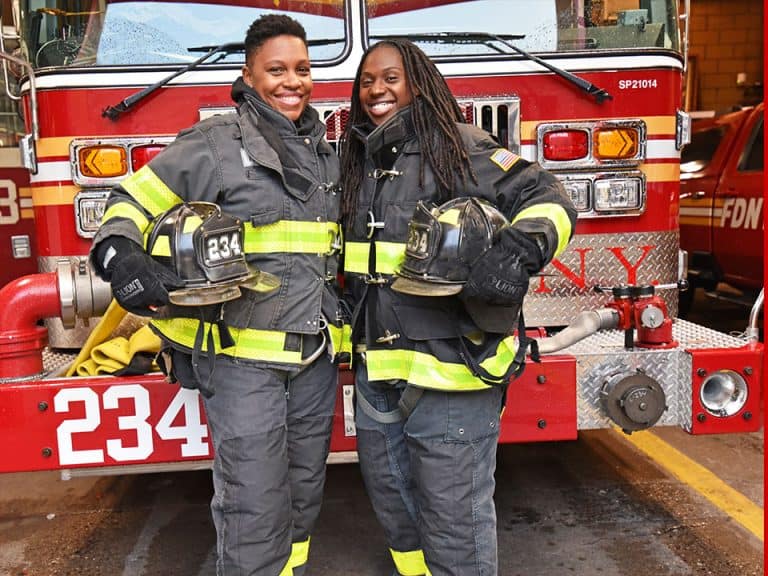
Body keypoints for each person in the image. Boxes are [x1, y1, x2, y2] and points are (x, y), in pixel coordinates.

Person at [90, 14, 343, 576]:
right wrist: (122, 258)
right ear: (249, 76)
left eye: (301, 69)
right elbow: (128, 204)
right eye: (276, 69)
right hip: (238, 359)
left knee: (303, 491)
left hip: (313, 356)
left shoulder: (325, 153)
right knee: (254, 500)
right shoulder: (214, 145)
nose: (291, 81)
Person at [339, 39, 577, 576]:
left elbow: (551, 198)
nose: (377, 90)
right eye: (367, 80)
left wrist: (518, 253)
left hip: (453, 375)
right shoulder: (358, 163)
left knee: (453, 526)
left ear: (419, 83)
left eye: (392, 77)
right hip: (378, 375)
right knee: (396, 513)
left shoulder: (462, 147)